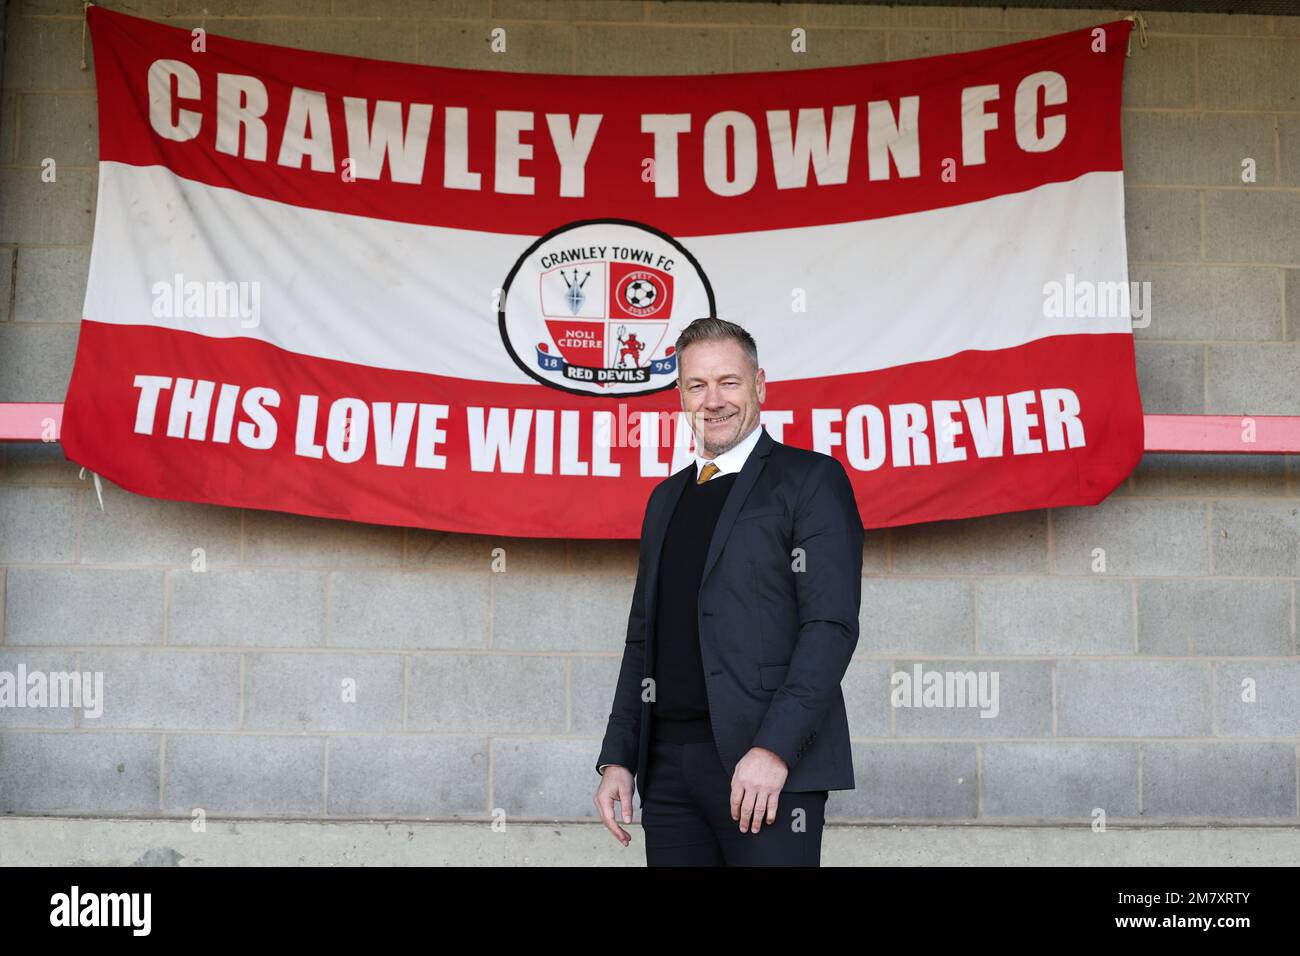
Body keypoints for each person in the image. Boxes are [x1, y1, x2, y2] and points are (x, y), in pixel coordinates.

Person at [593, 317, 864, 866]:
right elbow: (641, 641)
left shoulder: (811, 480)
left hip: (766, 771)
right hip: (667, 771)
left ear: (759, 386)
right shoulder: (665, 499)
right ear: (680, 395)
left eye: (729, 382)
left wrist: (773, 749)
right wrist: (619, 756)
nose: (713, 400)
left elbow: (830, 628)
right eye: (697, 385)